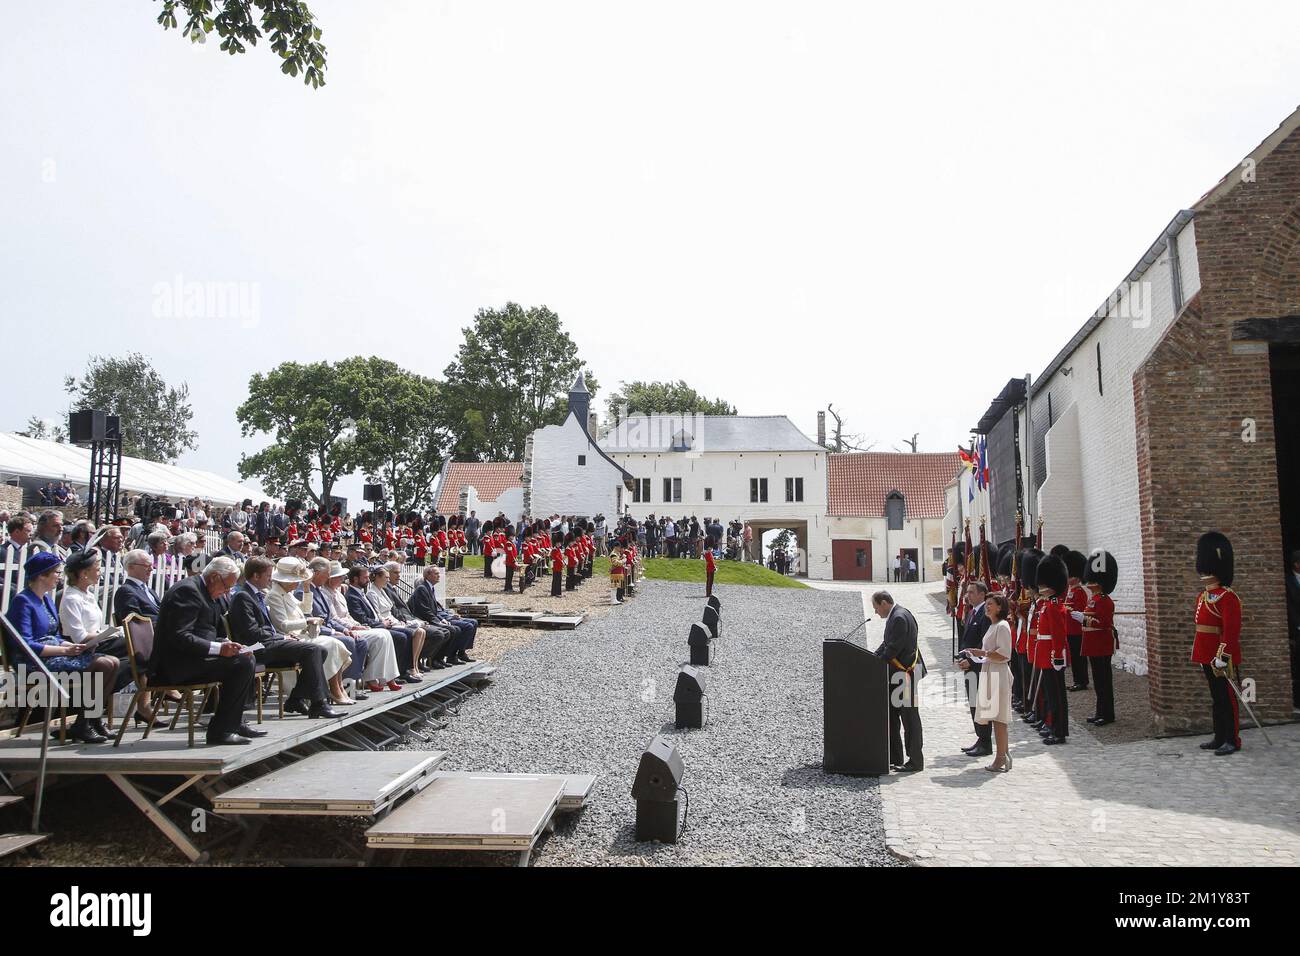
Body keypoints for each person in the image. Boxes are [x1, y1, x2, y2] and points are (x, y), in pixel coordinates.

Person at [4, 551, 120, 743]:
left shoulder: (47, 599)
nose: (60, 576)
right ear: (42, 575)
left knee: (113, 661)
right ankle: (84, 723)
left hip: (53, 653)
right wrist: (65, 650)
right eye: (56, 572)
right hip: (33, 661)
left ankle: (92, 719)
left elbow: (54, 635)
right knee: (104, 665)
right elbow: (26, 643)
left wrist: (70, 645)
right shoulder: (23, 601)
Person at [150, 556, 259, 746]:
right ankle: (222, 730)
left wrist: (226, 643)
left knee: (245, 658)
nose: (226, 592)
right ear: (215, 577)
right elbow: (180, 636)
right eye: (226, 586)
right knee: (241, 665)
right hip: (176, 664)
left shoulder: (207, 593)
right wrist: (218, 648)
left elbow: (207, 631)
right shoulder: (187, 591)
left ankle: (232, 721)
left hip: (195, 657)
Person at [225, 556, 339, 719]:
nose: (271, 580)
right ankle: (319, 703)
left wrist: (281, 637)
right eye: (268, 576)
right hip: (257, 647)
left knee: (320, 650)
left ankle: (296, 699)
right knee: (313, 649)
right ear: (256, 576)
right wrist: (282, 638)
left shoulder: (254, 594)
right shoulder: (244, 596)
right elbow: (251, 632)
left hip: (269, 642)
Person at [1193, 532, 1242, 756]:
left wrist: (1223, 656)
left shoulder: (1227, 597)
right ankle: (1219, 736)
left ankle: (1232, 739)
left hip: (1221, 656)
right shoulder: (1203, 596)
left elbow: (1230, 632)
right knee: (1216, 698)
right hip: (1206, 653)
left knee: (1227, 698)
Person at [871, 590, 924, 771]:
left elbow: (892, 649)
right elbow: (887, 644)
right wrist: (873, 656)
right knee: (893, 716)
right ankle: (896, 757)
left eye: (876, 608)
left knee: (909, 719)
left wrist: (876, 662)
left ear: (884, 602)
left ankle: (915, 761)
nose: (876, 613)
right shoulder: (899, 614)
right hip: (899, 676)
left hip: (905, 675)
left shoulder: (899, 618)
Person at [967, 591, 1013, 772]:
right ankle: (1003, 754)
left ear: (1000, 607)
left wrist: (983, 653)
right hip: (990, 670)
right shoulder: (994, 625)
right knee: (994, 716)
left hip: (998, 673)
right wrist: (977, 654)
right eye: (987, 604)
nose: (987, 607)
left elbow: (1004, 654)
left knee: (999, 717)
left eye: (991, 604)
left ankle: (1001, 757)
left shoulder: (1002, 626)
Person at [1078, 549, 1118, 726]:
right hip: (1093, 644)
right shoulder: (1093, 599)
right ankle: (1099, 711)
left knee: (1104, 682)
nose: (1090, 583)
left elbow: (1102, 623)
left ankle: (1107, 714)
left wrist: (1083, 618)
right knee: (1098, 681)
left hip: (1101, 644)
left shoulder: (1104, 600)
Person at [1034, 553, 1071, 745]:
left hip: (1052, 655)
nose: (1040, 587)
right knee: (1051, 693)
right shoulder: (1048, 605)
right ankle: (1055, 727)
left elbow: (1058, 635)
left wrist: (1058, 656)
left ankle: (1059, 731)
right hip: (1045, 654)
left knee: (1057, 695)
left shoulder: (1055, 607)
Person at [407, 565, 477, 664]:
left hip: (435, 618)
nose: (439, 576)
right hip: (425, 620)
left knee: (468, 624)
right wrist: (439, 622)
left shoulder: (429, 588)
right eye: (436, 574)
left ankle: (452, 654)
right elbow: (425, 611)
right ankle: (438, 657)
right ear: (428, 575)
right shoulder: (422, 588)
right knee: (454, 629)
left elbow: (434, 610)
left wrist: (440, 619)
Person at [956, 580, 992, 757]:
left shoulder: (985, 614)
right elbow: (966, 640)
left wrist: (971, 661)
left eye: (971, 592)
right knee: (973, 704)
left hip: (979, 667)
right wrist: (962, 656)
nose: (967, 595)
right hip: (969, 666)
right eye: (967, 592)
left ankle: (986, 742)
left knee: (981, 705)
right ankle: (980, 738)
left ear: (982, 594)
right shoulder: (971, 613)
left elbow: (984, 643)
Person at [1063, 550, 1090, 692]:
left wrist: (1065, 610)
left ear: (1077, 578)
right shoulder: (1070, 591)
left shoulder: (1079, 592)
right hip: (1070, 629)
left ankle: (1082, 681)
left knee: (1079, 657)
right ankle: (1077, 680)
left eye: (1071, 575)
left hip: (1077, 630)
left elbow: (1079, 611)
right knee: (1074, 657)